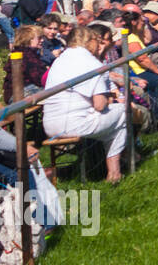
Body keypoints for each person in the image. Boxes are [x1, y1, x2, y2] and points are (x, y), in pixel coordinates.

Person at [42, 26, 128, 184]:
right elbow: (100, 105)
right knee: (122, 111)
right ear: (90, 42)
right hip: (75, 124)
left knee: (113, 125)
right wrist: (109, 98)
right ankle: (114, 172)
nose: (99, 45)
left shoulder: (60, 60)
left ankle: (102, 165)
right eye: (97, 41)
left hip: (50, 124)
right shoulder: (92, 63)